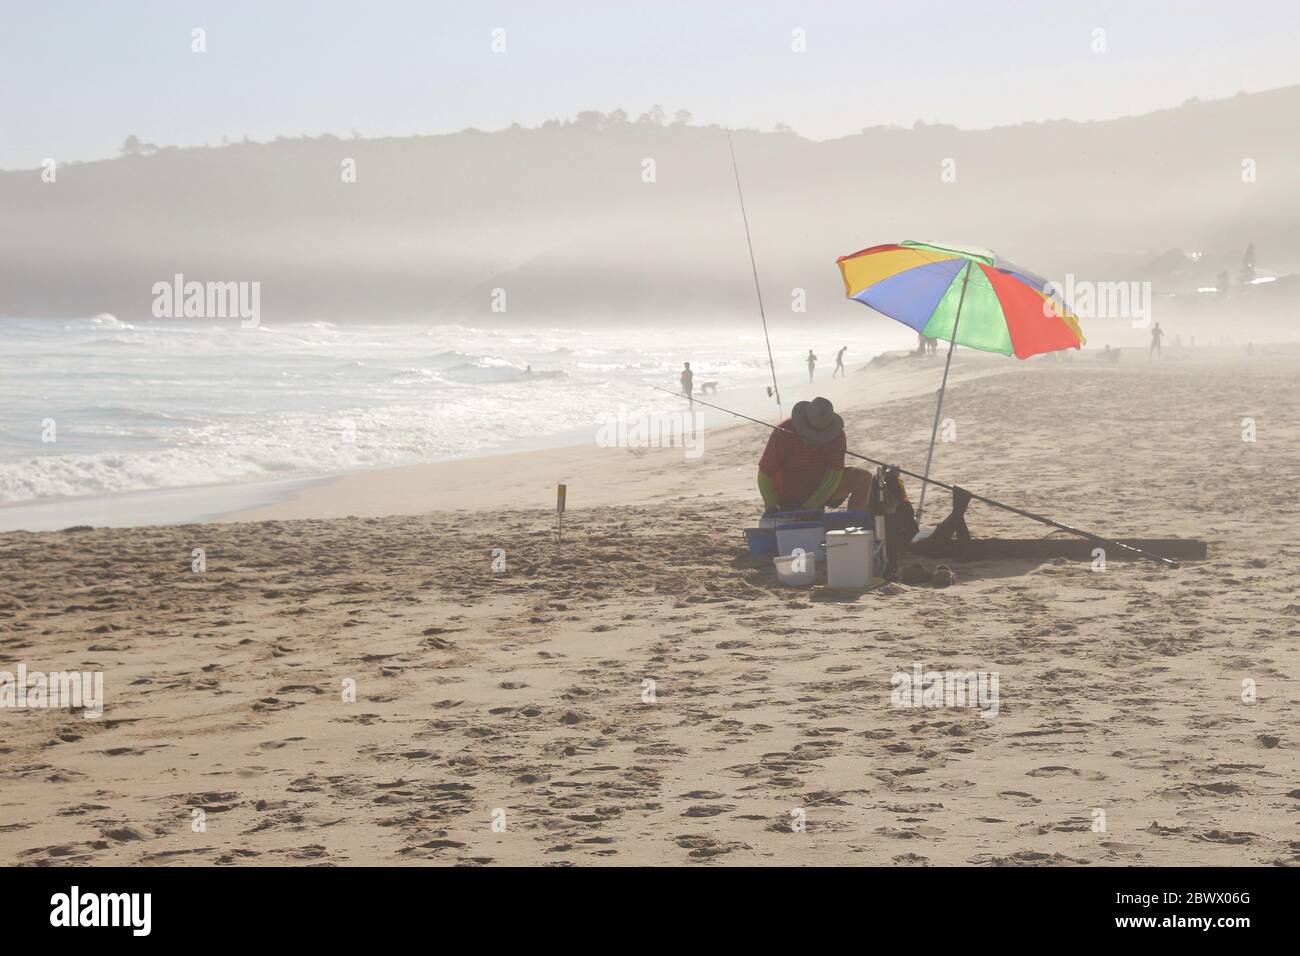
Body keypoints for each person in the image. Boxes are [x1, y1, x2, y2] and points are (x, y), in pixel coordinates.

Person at [756, 397, 906, 514]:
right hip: (789, 491)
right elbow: (764, 472)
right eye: (807, 434)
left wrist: (810, 507)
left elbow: (833, 476)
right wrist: (770, 506)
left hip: (822, 487)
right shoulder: (782, 432)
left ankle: (855, 525)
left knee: (863, 478)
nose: (810, 440)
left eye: (817, 436)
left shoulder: (837, 436)